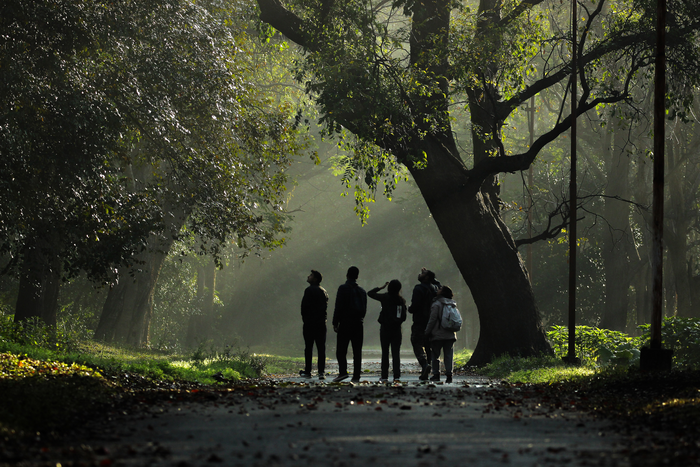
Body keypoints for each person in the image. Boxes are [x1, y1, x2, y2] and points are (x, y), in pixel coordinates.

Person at [332, 266, 367, 383]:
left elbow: (338, 306)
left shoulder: (342, 288)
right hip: (358, 323)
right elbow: (364, 309)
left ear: (347, 275)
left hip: (345, 322)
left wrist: (335, 322)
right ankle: (356, 375)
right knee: (357, 351)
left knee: (341, 350)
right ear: (357, 276)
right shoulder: (362, 291)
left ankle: (343, 372)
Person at [368, 280, 407, 383]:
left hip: (385, 328)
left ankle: (384, 375)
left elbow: (370, 293)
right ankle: (396, 376)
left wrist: (380, 287)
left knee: (385, 352)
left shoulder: (385, 297)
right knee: (396, 353)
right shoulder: (401, 301)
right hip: (397, 329)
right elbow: (404, 317)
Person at [408, 268, 441, 380]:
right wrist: (433, 278)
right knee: (428, 345)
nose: (420, 274)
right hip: (432, 321)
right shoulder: (435, 288)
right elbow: (440, 286)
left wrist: (410, 309)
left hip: (419, 321)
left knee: (416, 342)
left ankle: (424, 364)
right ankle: (427, 369)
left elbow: (415, 305)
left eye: (422, 273)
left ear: (426, 277)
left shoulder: (418, 288)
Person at [424, 285, 457, 383]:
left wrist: (427, 332)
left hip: (437, 334)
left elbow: (432, 319)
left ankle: (436, 374)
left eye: (439, 289)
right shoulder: (452, 304)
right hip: (450, 334)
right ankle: (449, 375)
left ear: (442, 292)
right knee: (448, 355)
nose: (437, 290)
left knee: (435, 355)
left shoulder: (436, 304)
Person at [300, 270, 329, 379]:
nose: (308, 276)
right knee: (321, 348)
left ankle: (308, 371)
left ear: (315, 279)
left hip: (310, 323)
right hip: (321, 323)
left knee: (308, 347)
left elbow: (304, 307)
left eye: (311, 275)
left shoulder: (309, 290)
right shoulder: (323, 291)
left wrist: (306, 320)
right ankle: (321, 371)